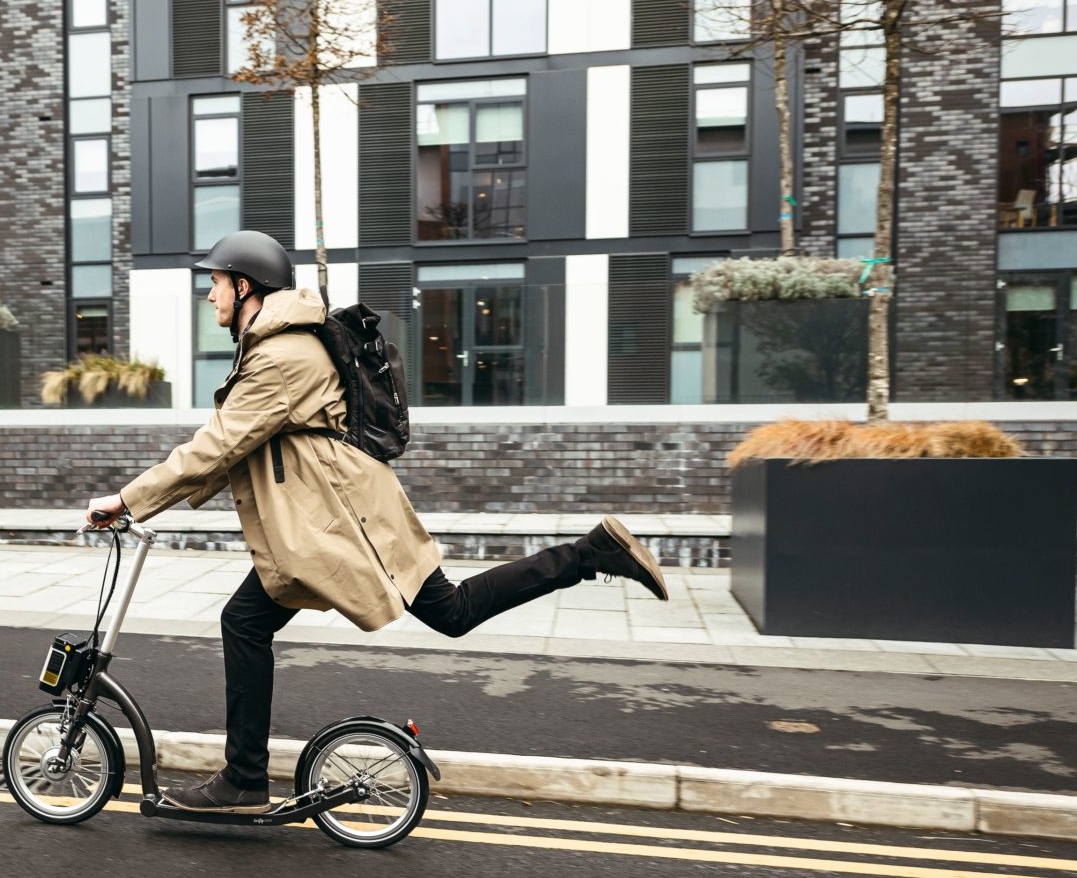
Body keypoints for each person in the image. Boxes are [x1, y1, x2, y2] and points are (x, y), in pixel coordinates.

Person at [85, 231, 667, 813]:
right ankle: (243, 777)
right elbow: (234, 450)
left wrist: (127, 500)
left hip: (350, 523)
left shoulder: (281, 358)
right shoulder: (273, 348)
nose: (208, 296)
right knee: (246, 621)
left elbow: (215, 446)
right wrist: (146, 500)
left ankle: (590, 554)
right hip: (331, 521)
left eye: (214, 283)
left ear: (244, 287)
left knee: (450, 613)